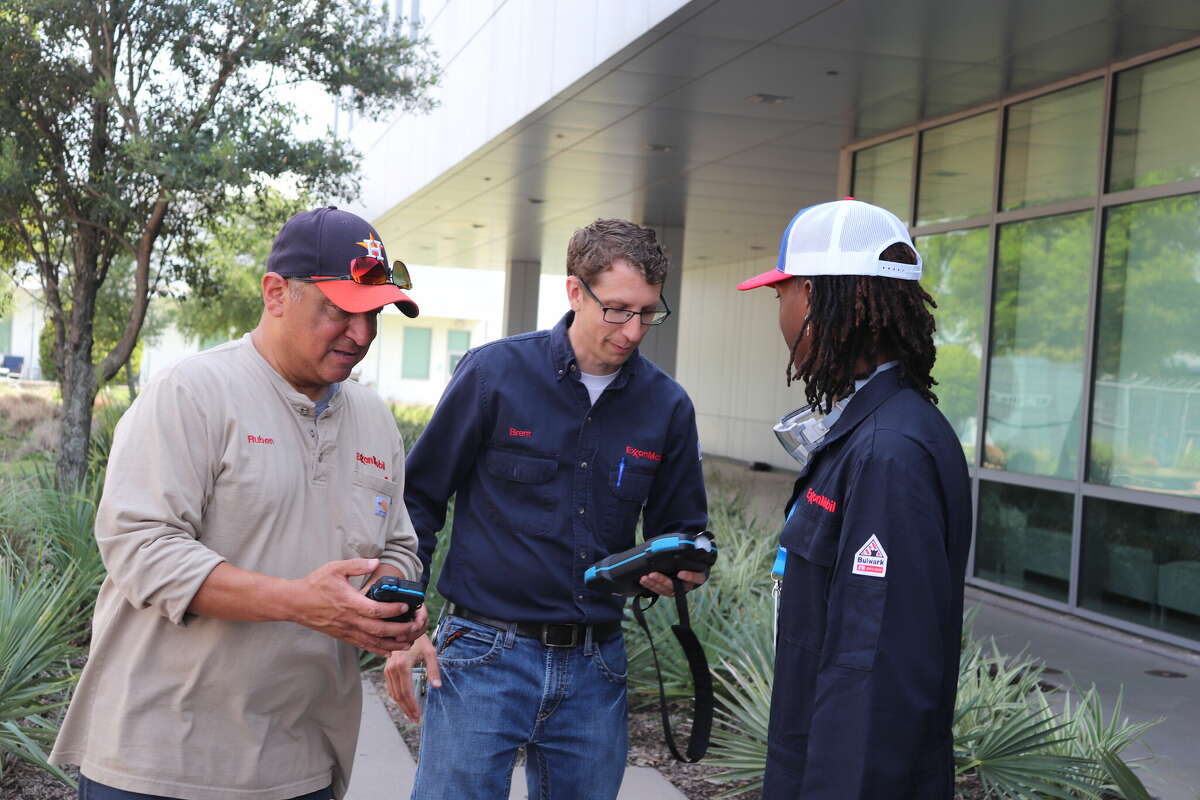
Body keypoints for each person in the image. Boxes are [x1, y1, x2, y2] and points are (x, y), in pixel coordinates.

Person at [50, 207, 429, 800]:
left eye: (374, 314)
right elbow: (140, 548)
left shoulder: (375, 420)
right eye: (340, 310)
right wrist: (300, 603)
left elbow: (400, 546)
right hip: (163, 764)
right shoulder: (192, 393)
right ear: (276, 293)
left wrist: (385, 592)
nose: (362, 335)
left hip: (302, 764)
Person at [385, 218, 709, 800]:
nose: (634, 330)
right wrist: (403, 617)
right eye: (616, 309)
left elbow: (682, 529)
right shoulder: (493, 374)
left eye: (648, 312)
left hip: (597, 666)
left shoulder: (667, 406)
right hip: (482, 655)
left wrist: (681, 565)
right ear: (573, 291)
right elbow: (420, 499)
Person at [736, 198, 972, 799]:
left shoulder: (888, 452)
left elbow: (876, 672)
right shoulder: (871, 428)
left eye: (780, 294)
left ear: (811, 296)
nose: (780, 312)